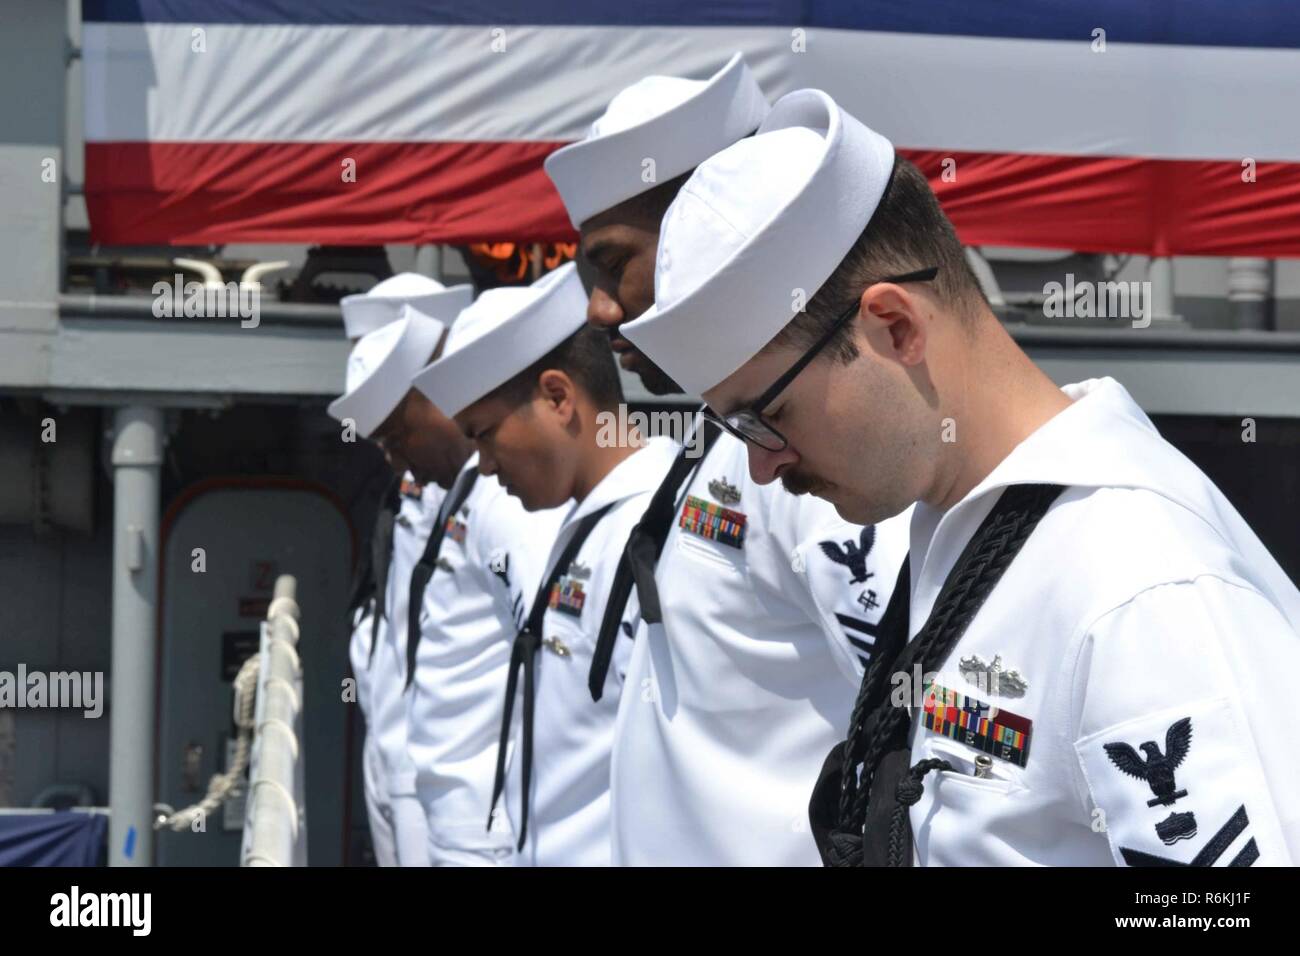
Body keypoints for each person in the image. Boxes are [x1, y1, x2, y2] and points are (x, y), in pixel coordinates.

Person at [620, 86, 1300, 866]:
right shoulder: (971, 533)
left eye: (769, 413)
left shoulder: (1137, 589)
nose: (763, 466)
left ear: (895, 326)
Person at [543, 55, 910, 865]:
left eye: (612, 265)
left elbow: (915, 742)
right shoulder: (724, 435)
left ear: (707, 223)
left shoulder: (815, 460)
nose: (599, 310)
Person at [414, 262, 676, 865]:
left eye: (484, 434)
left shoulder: (660, 537)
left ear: (558, 397)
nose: (482, 466)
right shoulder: (590, 525)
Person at [394, 290, 570, 867]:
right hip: (454, 806)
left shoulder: (503, 505)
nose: (394, 460)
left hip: (488, 827)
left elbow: (546, 661)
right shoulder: (474, 486)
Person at [334, 274, 470, 866]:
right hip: (392, 740)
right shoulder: (408, 486)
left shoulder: (473, 485)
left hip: (438, 759)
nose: (391, 455)